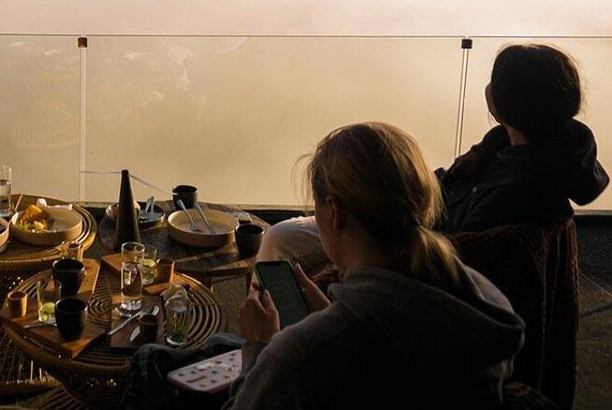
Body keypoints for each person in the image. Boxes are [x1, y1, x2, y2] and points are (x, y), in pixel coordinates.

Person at [223, 123, 525, 409]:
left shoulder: (299, 358)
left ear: (335, 213)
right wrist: (333, 314)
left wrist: (259, 347)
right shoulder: (486, 303)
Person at [257, 43, 609, 268]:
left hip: (402, 240)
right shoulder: (513, 152)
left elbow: (453, 253)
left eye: (494, 83)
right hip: (408, 224)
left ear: (507, 102)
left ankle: (271, 353)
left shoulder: (519, 186)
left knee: (280, 240)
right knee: (285, 234)